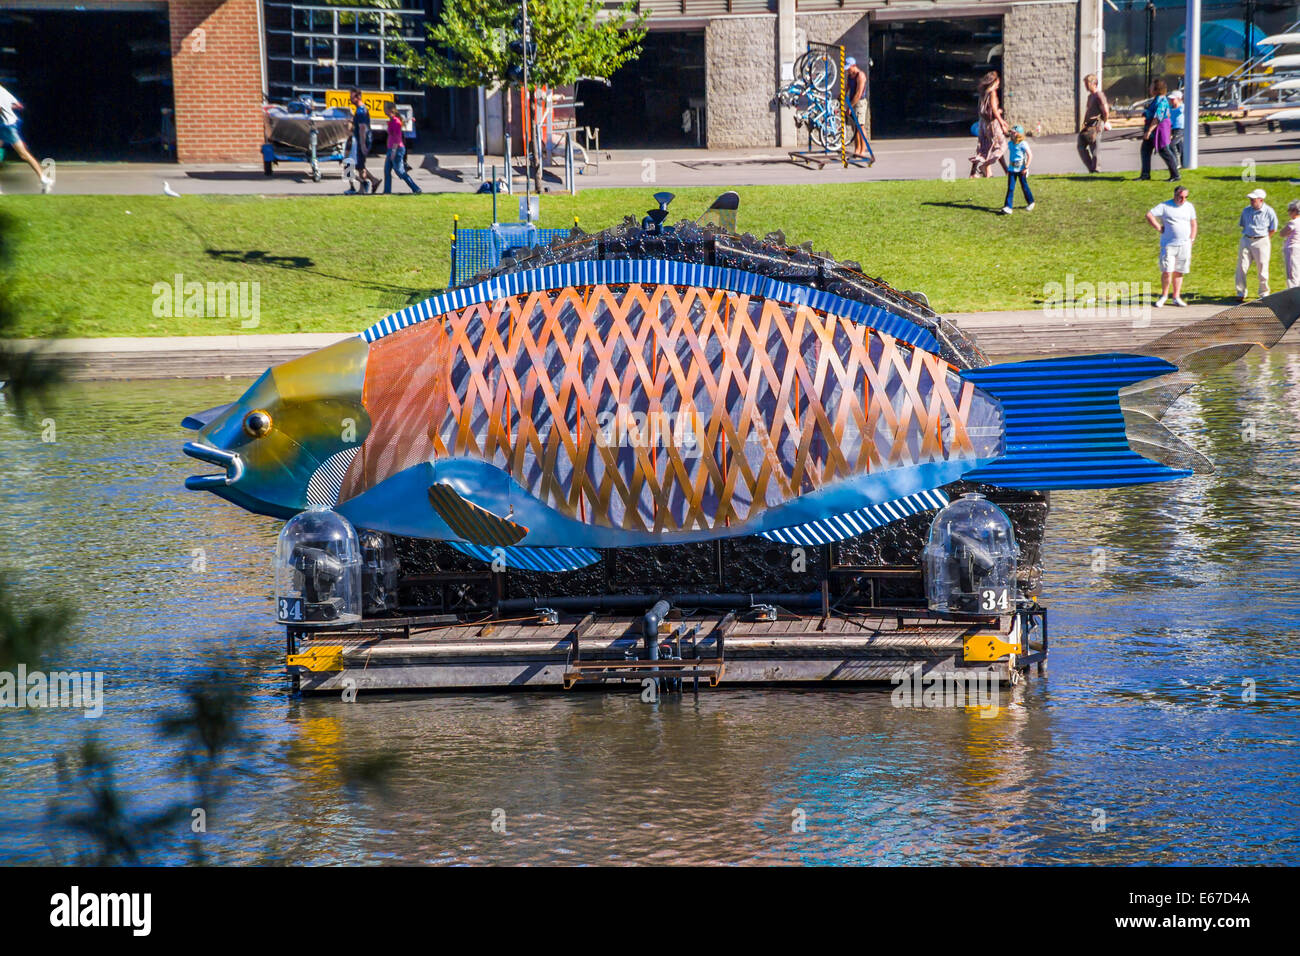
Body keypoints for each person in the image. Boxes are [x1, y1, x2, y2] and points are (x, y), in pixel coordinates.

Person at [1145, 184, 1197, 308]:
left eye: (1185, 197)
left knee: (1179, 271)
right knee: (1167, 271)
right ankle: (1164, 295)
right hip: (1169, 245)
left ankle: (1176, 296)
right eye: (1180, 197)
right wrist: (1158, 227)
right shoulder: (1165, 206)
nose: (1183, 200)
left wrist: (1192, 238)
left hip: (1184, 244)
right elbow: (1149, 215)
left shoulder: (1189, 207)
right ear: (1175, 195)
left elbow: (1193, 223)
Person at [0, 83, 53, 193]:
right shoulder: (4, 91)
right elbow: (19, 105)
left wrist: (4, 109)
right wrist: (7, 107)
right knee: (23, 154)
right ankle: (44, 179)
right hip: (8, 124)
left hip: (6, 126)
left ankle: (44, 179)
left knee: (23, 155)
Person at [1236, 188, 1278, 301]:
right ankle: (1240, 293)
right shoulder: (1246, 210)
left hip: (1262, 240)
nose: (1251, 201)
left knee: (1262, 267)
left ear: (1261, 200)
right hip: (1246, 239)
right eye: (1250, 199)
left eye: (1253, 199)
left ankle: (1264, 293)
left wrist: (1264, 238)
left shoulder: (1269, 211)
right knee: (1241, 266)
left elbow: (1273, 228)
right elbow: (1243, 224)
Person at [969, 71, 1008, 178]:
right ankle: (984, 166)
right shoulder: (992, 93)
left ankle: (973, 173)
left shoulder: (983, 93)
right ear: (994, 81)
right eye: (998, 80)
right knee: (1001, 146)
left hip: (983, 124)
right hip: (992, 124)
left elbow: (984, 109)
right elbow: (994, 110)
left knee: (985, 148)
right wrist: (1002, 122)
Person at [1139, 79, 1179, 182]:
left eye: (1152, 86)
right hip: (1153, 129)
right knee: (1145, 150)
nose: (1149, 88)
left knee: (1164, 151)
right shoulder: (1156, 99)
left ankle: (1175, 175)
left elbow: (1157, 118)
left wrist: (1148, 131)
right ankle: (1145, 174)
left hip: (1159, 130)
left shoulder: (1162, 101)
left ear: (1157, 89)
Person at [382, 101, 421, 195]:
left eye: (385, 108)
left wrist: (394, 152)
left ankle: (415, 188)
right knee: (387, 170)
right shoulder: (392, 120)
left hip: (397, 149)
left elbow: (396, 138)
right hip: (391, 148)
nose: (384, 110)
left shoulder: (396, 121)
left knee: (399, 171)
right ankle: (387, 191)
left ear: (390, 110)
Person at [347, 87, 380, 195]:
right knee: (360, 165)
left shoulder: (361, 111)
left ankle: (363, 188)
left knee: (360, 166)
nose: (350, 99)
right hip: (362, 139)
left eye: (351, 97)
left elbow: (362, 128)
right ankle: (373, 181)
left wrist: (362, 145)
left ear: (357, 97)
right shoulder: (360, 110)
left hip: (363, 139)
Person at [1077, 73, 1110, 174]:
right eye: (1085, 84)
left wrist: (1103, 123)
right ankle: (1091, 168)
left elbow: (1105, 111)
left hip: (1096, 124)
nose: (1086, 86)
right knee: (1081, 145)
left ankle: (1096, 170)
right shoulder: (1090, 96)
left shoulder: (1099, 95)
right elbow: (1088, 110)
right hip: (1088, 125)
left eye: (1087, 83)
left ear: (1094, 83)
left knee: (1094, 148)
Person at [1000, 125, 1034, 215]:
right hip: (1011, 169)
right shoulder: (1010, 144)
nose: (1011, 134)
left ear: (1019, 134)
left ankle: (1031, 202)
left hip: (1021, 169)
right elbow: (1002, 151)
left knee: (1024, 186)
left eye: (1014, 132)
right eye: (1011, 132)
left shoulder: (1023, 143)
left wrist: (1026, 167)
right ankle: (1008, 207)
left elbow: (1030, 155)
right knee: (1010, 188)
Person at [843, 57, 868, 159]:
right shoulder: (850, 75)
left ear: (854, 66)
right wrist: (841, 95)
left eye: (849, 68)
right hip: (852, 101)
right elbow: (847, 87)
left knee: (860, 127)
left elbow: (858, 94)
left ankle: (863, 150)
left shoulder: (860, 76)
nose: (848, 70)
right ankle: (857, 149)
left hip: (859, 102)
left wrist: (850, 107)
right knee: (854, 128)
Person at [1281, 200, 1300, 289]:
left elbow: (1282, 233)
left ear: (1295, 211)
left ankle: (1293, 294)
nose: (1289, 212)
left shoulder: (1293, 222)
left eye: (1290, 210)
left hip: (1292, 249)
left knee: (1292, 273)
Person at [1168, 89, 1185, 170]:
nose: (1171, 100)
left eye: (1173, 99)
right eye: (1170, 99)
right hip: (1173, 128)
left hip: (1180, 128)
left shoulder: (1182, 107)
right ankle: (1183, 163)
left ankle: (1176, 163)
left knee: (1172, 144)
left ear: (1179, 99)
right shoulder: (1170, 108)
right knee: (1180, 146)